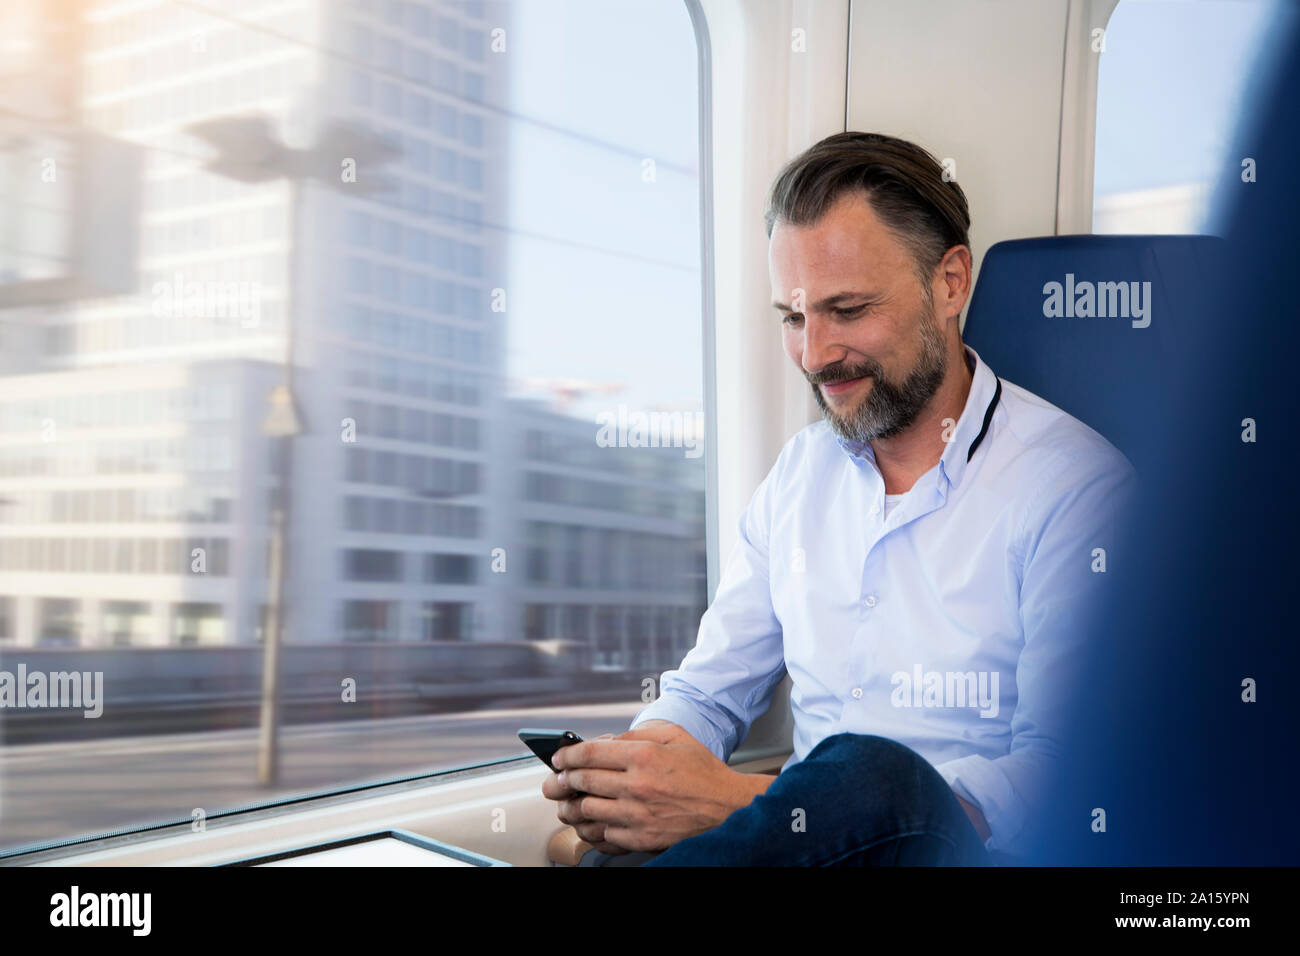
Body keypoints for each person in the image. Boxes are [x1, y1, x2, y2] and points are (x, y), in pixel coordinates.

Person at [543, 132, 1136, 866]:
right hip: (801, 856)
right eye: (794, 318)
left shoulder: (1077, 490)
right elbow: (707, 692)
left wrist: (738, 803)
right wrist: (630, 776)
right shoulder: (800, 473)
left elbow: (1057, 778)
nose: (815, 355)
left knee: (877, 775)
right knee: (598, 847)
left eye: (847, 310)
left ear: (950, 283)